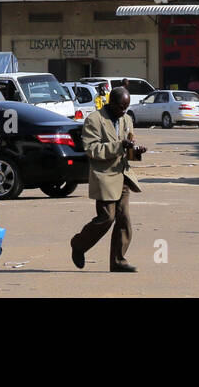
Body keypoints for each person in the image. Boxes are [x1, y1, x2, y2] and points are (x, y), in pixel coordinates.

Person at [70, 86, 146, 273]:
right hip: (104, 176)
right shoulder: (94, 120)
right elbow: (92, 149)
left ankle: (118, 260)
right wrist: (119, 145)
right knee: (107, 218)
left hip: (123, 175)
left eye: (126, 107)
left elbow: (128, 150)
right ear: (111, 103)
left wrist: (136, 151)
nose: (124, 111)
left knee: (123, 218)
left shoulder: (127, 119)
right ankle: (79, 244)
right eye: (121, 107)